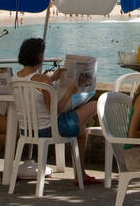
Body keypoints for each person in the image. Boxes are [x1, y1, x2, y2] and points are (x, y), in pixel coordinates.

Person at [8, 37, 100, 184]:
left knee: (81, 130)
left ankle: (81, 174)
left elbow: (36, 89)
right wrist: (69, 91)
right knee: (96, 104)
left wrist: (53, 78)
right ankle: (81, 174)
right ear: (39, 56)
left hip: (28, 130)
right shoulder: (43, 80)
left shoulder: (15, 79)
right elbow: (55, 110)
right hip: (50, 129)